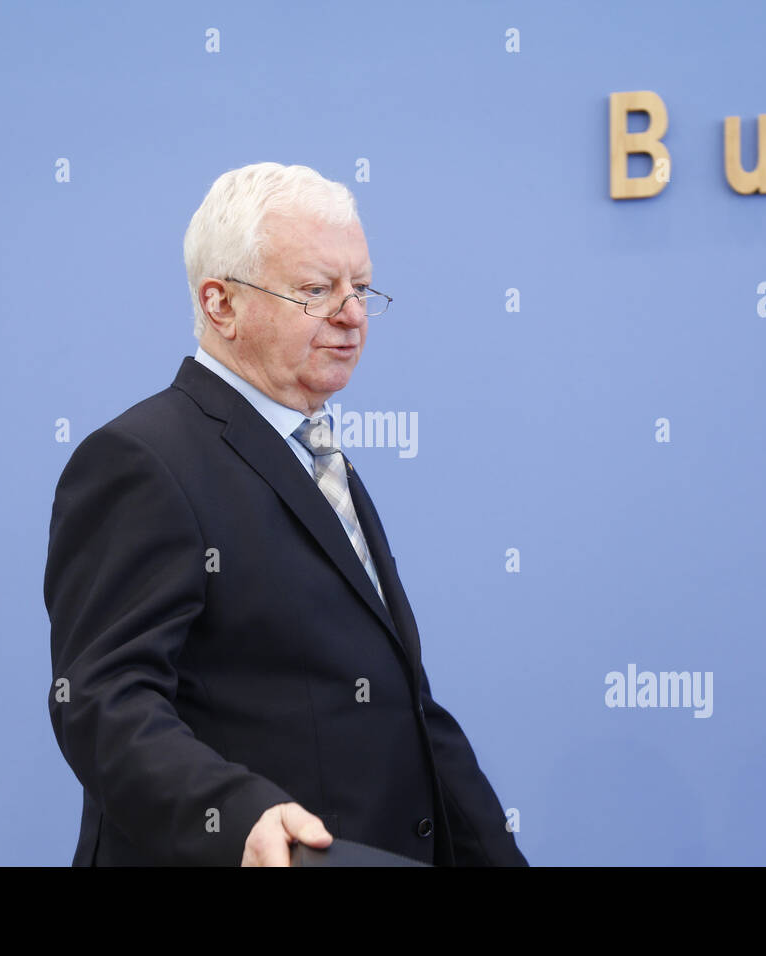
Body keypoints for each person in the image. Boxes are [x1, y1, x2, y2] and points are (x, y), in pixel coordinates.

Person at [44, 161, 527, 867]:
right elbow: (102, 700)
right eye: (316, 289)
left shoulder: (322, 458)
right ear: (220, 304)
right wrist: (239, 815)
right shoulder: (142, 460)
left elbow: (409, 711)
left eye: (361, 288)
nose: (352, 313)